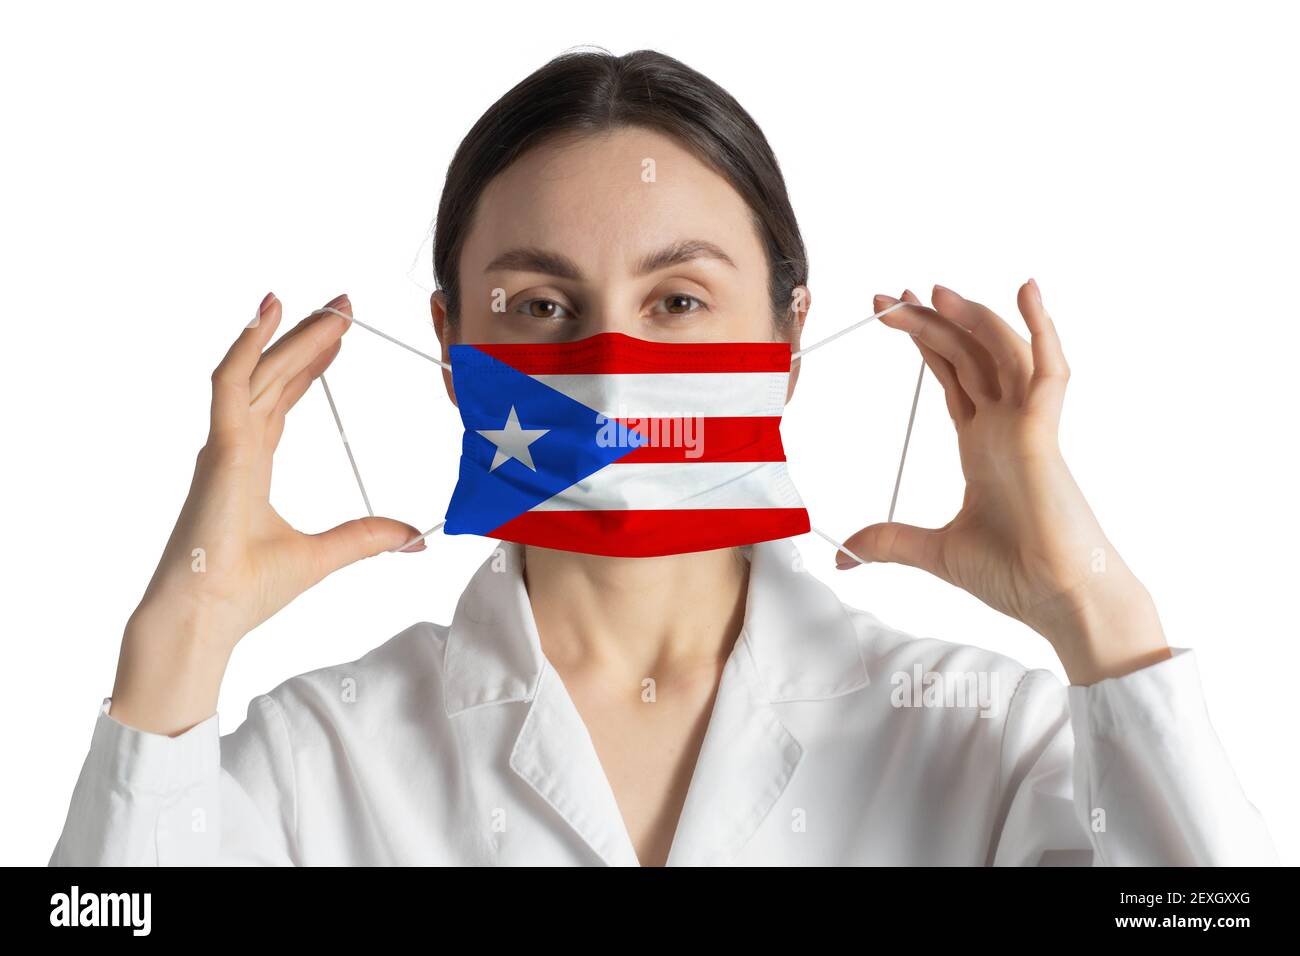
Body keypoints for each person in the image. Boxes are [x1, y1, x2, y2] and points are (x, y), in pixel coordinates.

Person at [49, 48, 1276, 866]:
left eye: (679, 300)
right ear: (449, 341)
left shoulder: (979, 739)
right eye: (537, 304)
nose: (615, 367)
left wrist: (1094, 611)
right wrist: (181, 638)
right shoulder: (317, 761)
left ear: (790, 334)